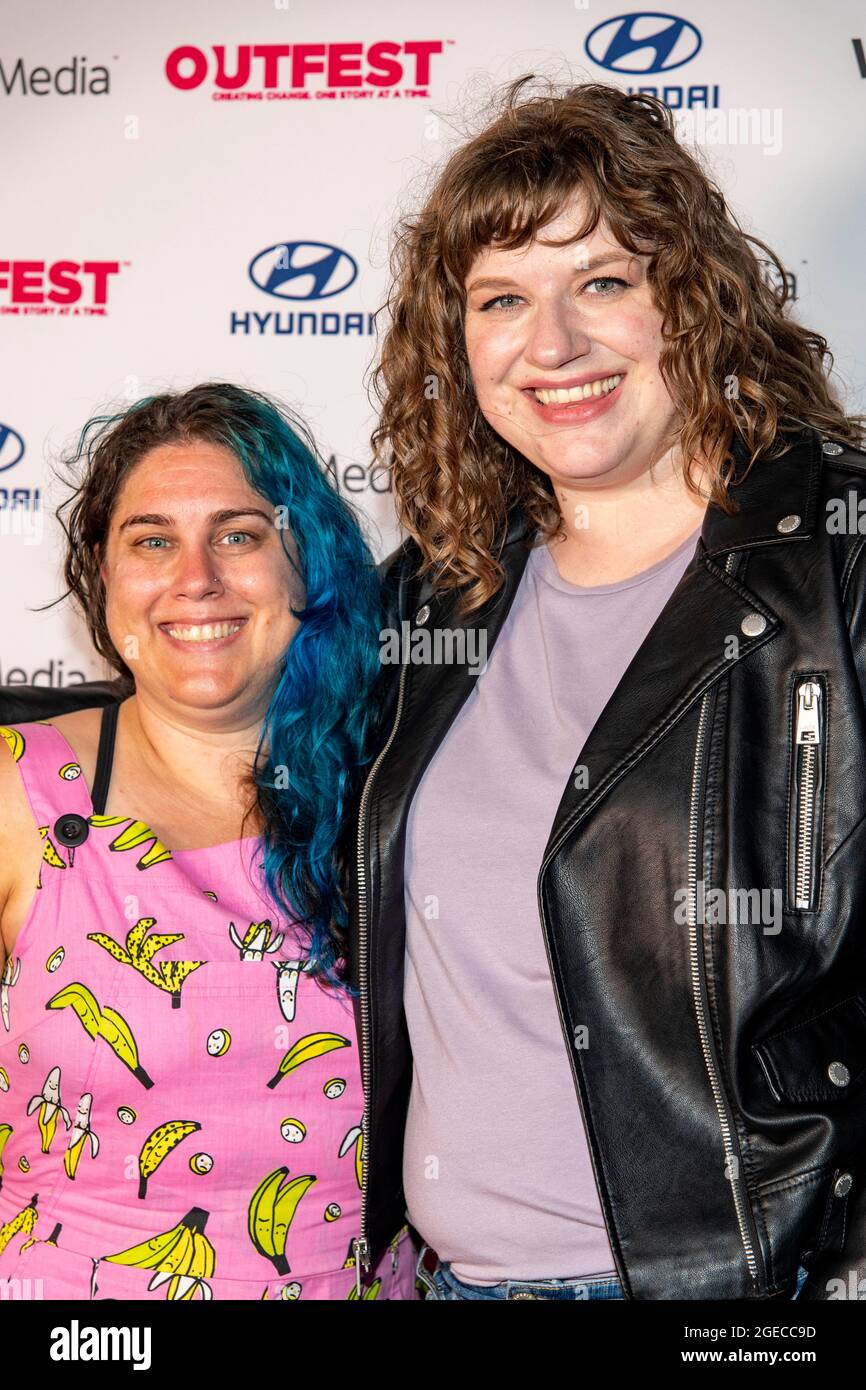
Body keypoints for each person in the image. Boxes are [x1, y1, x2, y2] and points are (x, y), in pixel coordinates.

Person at [350, 77, 866, 1301]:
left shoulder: (837, 556)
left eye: (600, 282)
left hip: (734, 1296)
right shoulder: (433, 594)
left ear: (688, 298)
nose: (552, 345)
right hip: (448, 1283)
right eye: (499, 299)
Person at [0, 383, 418, 1300]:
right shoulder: (15, 793)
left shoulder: (402, 796)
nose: (197, 578)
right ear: (101, 579)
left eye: (239, 535)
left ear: (305, 564)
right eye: (152, 541)